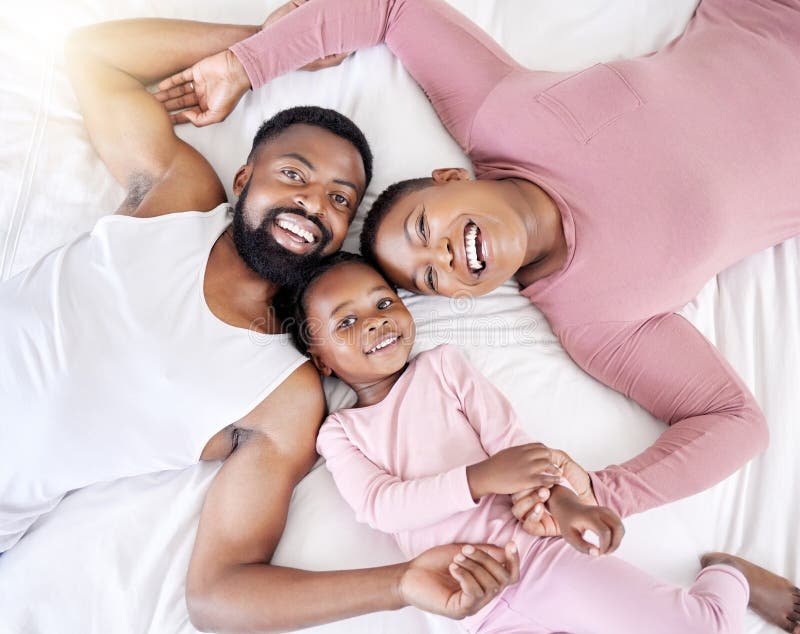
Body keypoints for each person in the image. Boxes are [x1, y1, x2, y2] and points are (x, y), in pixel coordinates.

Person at [159, 0, 800, 535]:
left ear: (451, 178)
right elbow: (733, 423)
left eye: (423, 228)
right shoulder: (597, 317)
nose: (441, 255)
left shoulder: (504, 115)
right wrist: (604, 492)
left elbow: (391, 8)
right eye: (429, 279)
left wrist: (243, 65)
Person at [0, 6, 524, 633]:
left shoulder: (283, 396)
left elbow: (218, 597)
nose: (313, 201)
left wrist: (398, 584)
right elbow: (94, 55)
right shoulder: (179, 199)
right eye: (293, 174)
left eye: (340, 198)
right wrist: (273, 48)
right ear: (244, 177)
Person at [279, 251, 800, 634]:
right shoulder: (340, 433)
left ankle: (728, 582)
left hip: (539, 557)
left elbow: (518, 449)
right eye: (347, 321)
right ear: (322, 359)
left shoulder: (443, 368)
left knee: (701, 629)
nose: (375, 321)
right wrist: (479, 479)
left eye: (383, 302)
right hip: (478, 604)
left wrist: (567, 504)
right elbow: (381, 506)